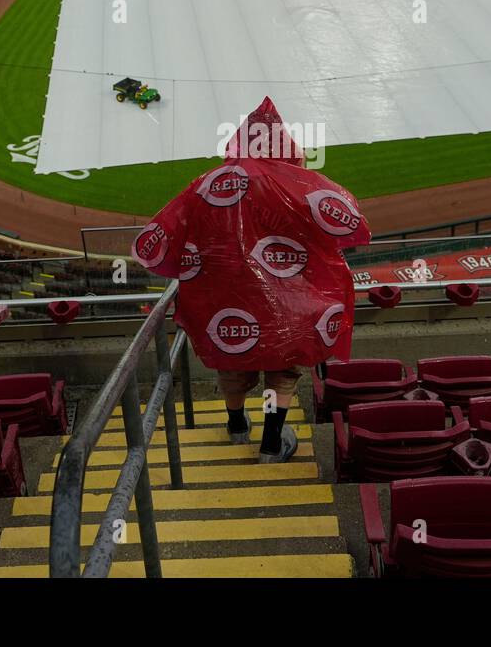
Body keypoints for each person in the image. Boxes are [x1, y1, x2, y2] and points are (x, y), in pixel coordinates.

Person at [133, 98, 370, 462]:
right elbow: (350, 223)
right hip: (289, 302)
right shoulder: (302, 186)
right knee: (283, 371)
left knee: (233, 363)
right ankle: (272, 444)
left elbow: (161, 235)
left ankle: (236, 428)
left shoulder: (209, 183)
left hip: (224, 301)